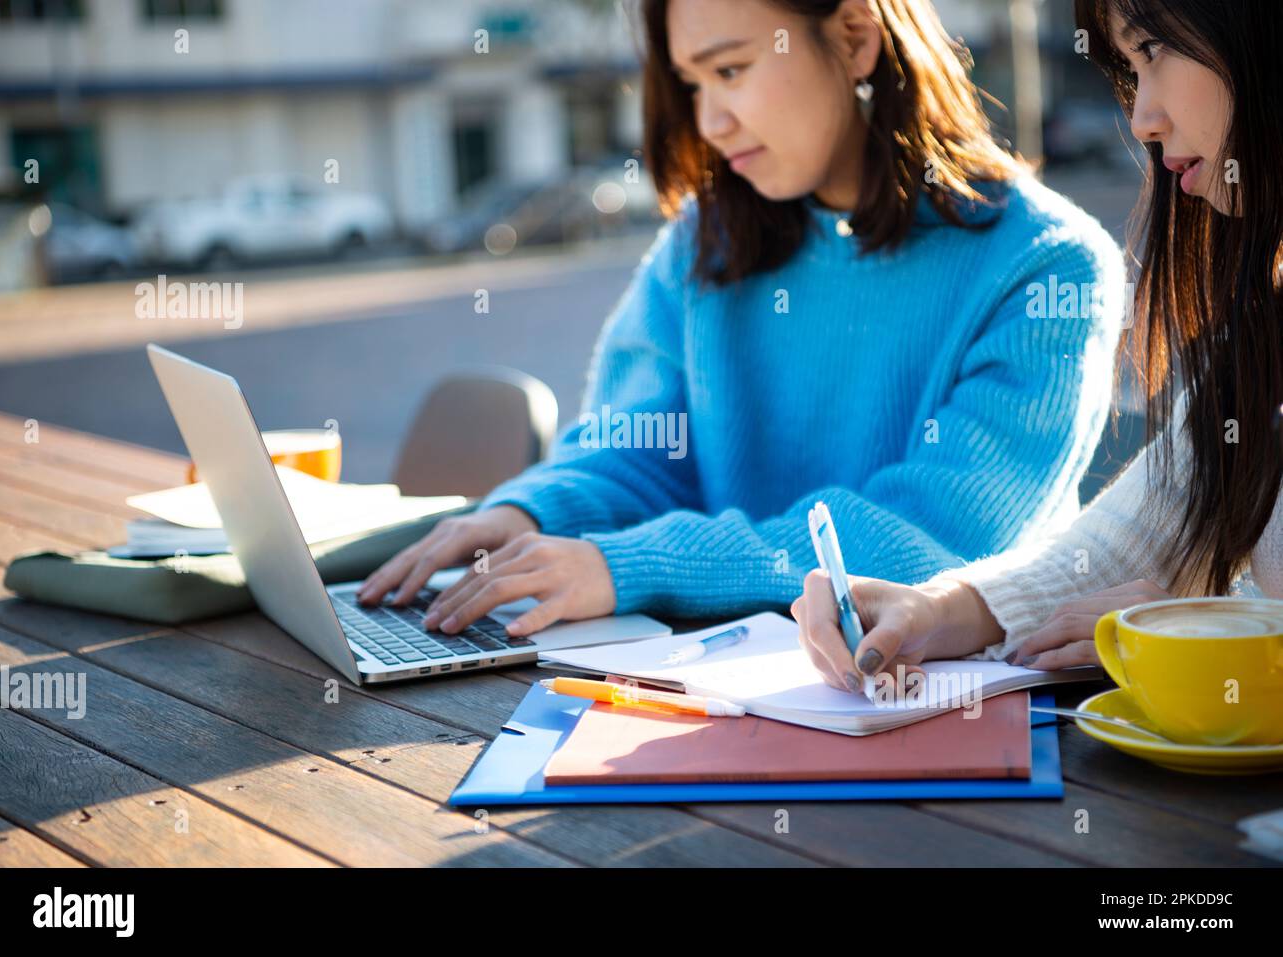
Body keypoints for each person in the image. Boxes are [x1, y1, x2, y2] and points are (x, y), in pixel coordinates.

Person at [359, 0, 1123, 640]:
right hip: (706, 692)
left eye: (730, 70)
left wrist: (633, 565)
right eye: (692, 84)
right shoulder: (702, 242)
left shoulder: (1048, 267)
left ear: (855, 37)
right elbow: (640, 447)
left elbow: (932, 536)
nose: (710, 120)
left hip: (939, 720)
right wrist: (533, 509)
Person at [791, 0, 1283, 694]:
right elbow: (1143, 538)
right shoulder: (1262, 326)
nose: (1144, 119)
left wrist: (1219, 630)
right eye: (1132, 70)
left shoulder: (1038, 257)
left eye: (1153, 53)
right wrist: (936, 610)